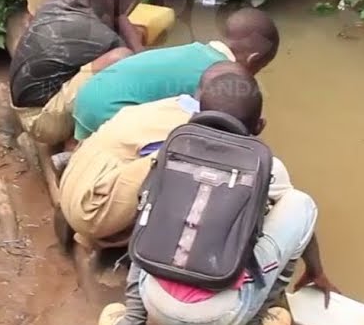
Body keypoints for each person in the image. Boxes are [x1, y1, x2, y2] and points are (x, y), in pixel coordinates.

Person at [96, 71, 338, 325]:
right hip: (223, 316)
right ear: (260, 126)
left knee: (150, 213)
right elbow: (299, 225)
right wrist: (316, 270)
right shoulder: (267, 167)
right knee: (300, 204)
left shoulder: (170, 150)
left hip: (153, 300)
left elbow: (142, 217)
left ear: (197, 111)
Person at [59, 61, 247, 248]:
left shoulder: (171, 104)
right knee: (190, 180)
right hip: (90, 208)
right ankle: (104, 242)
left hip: (75, 176)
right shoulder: (190, 134)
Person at [72, 7, 280, 140]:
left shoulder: (196, 50)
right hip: (105, 114)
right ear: (253, 60)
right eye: (258, 69)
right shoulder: (219, 79)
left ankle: (75, 147)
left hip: (86, 97)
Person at [9, 0, 145, 146]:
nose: (134, 2)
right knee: (121, 59)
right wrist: (139, 48)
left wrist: (118, 10)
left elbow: (117, 16)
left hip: (31, 99)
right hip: (40, 121)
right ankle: (74, 144)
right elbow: (139, 65)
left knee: (129, 38)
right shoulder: (97, 35)